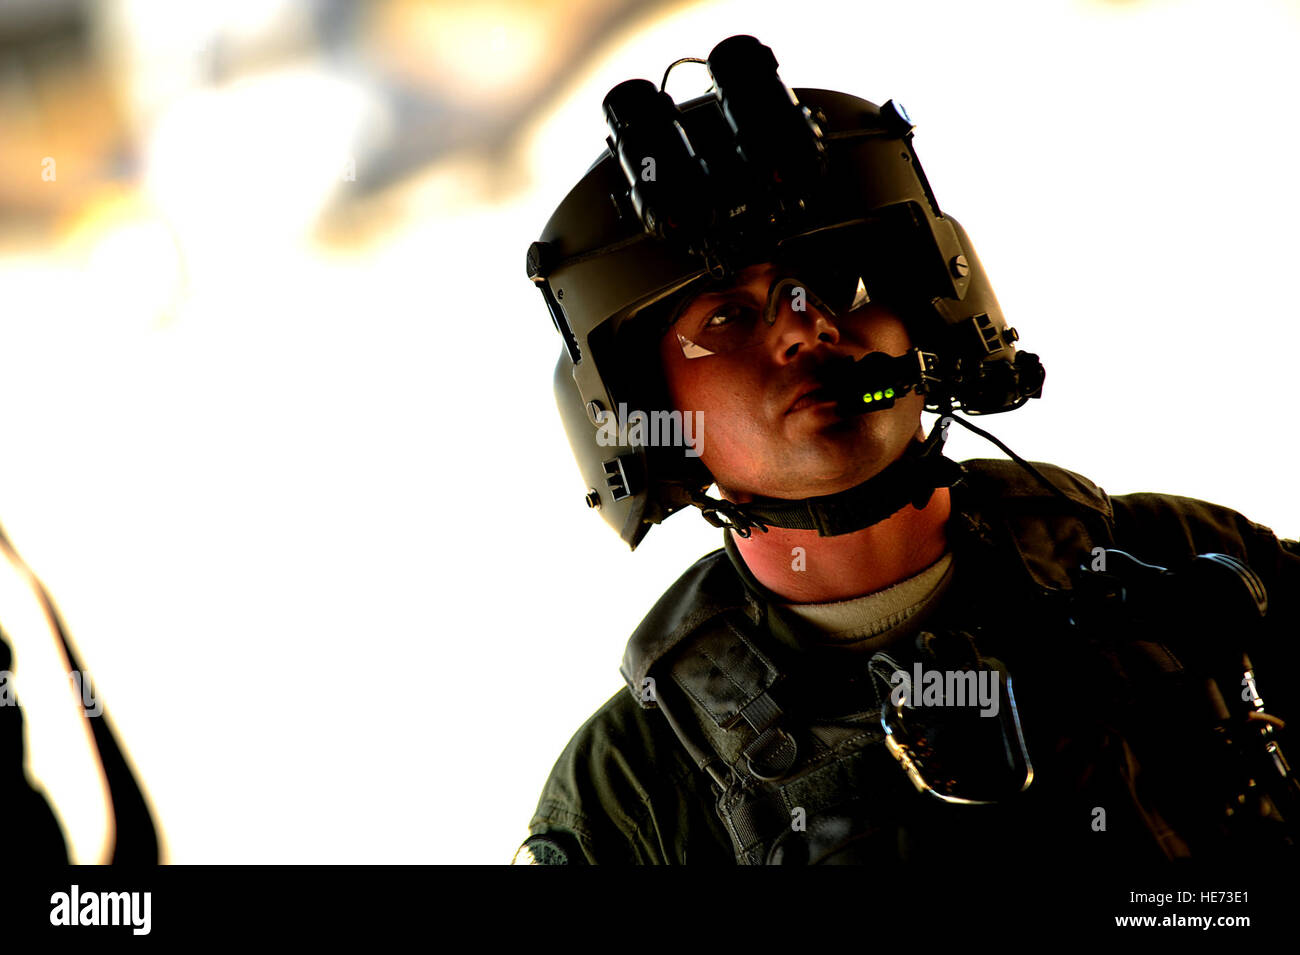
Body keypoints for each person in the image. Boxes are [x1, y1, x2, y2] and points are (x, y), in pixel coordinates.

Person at [514, 35, 1300, 868]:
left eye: (838, 283)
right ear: (648, 414)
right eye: (727, 320)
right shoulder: (632, 791)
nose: (804, 325)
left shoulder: (1181, 564)